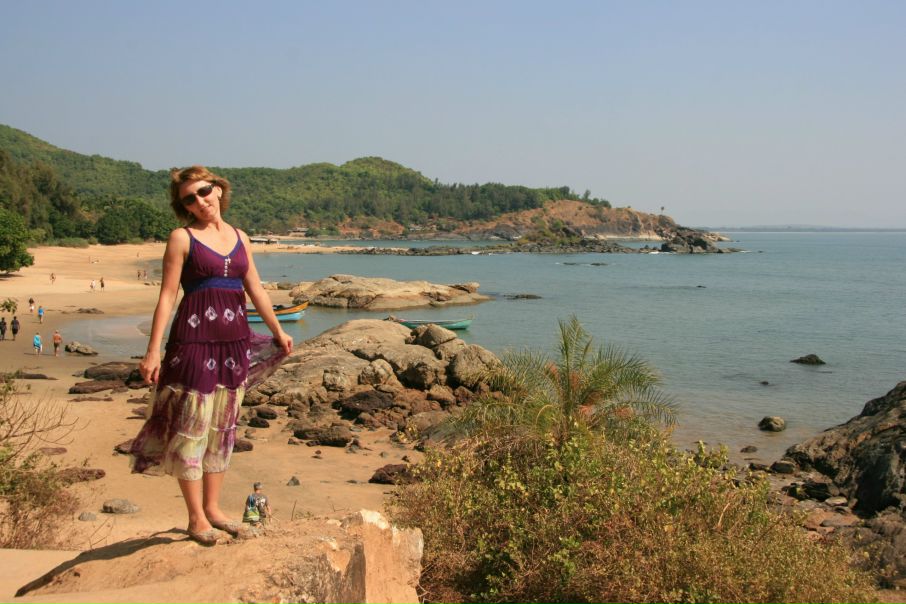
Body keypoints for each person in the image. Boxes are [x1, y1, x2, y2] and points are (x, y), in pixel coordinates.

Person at [131, 166, 292, 547]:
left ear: (218, 189)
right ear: (183, 206)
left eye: (204, 191)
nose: (200, 201)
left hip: (234, 343)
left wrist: (277, 330)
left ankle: (214, 509)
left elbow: (255, 288)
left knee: (223, 427)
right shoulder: (181, 238)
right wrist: (153, 350)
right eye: (189, 198)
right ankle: (196, 518)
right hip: (193, 343)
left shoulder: (240, 237)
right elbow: (167, 296)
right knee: (191, 428)